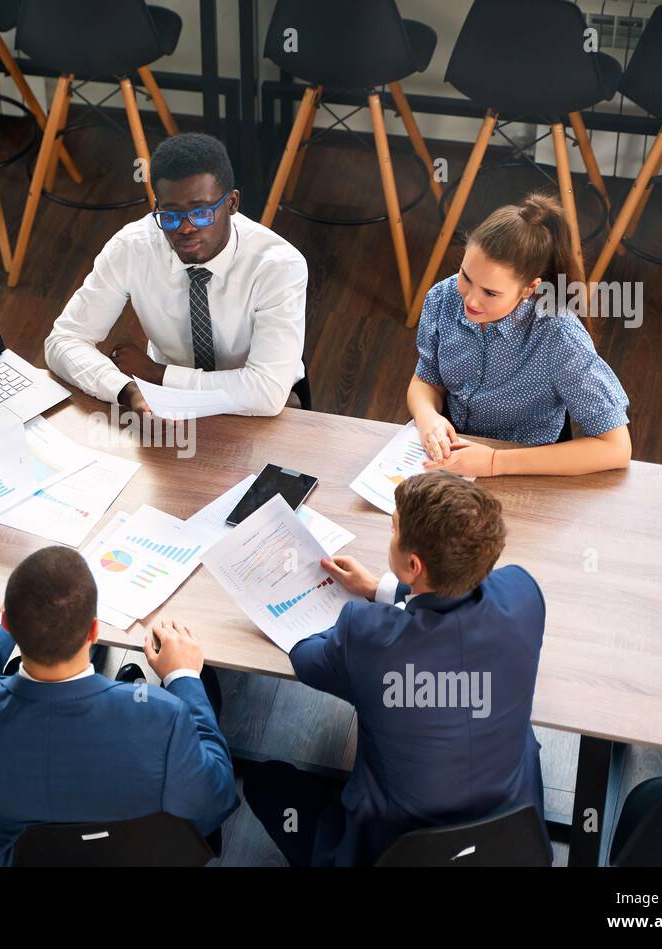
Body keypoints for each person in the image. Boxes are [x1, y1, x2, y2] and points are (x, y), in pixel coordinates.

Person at [242, 471, 550, 866]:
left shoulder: (368, 638)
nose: (390, 532)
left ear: (414, 563)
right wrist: (382, 589)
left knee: (267, 783)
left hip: (391, 849)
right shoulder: (524, 595)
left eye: (393, 527)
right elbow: (460, 597)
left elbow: (305, 656)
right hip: (513, 835)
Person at [0, 545, 239, 865]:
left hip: (14, 857)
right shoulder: (163, 717)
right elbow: (217, 799)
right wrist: (183, 675)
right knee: (204, 687)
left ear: (7, 622)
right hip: (142, 853)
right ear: (94, 630)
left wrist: (4, 623)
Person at [44, 132, 308, 417]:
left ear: (232, 204)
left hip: (260, 406)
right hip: (163, 403)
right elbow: (63, 341)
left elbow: (265, 393)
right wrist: (124, 389)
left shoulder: (279, 265)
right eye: (170, 216)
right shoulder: (132, 247)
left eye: (201, 213)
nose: (185, 228)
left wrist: (159, 375)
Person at [408, 192, 632, 476]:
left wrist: (493, 462)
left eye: (490, 292)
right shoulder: (443, 297)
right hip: (453, 452)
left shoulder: (559, 336)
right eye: (466, 277)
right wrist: (427, 416)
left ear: (529, 288)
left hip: (526, 465)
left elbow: (616, 448)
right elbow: (426, 379)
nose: (470, 300)